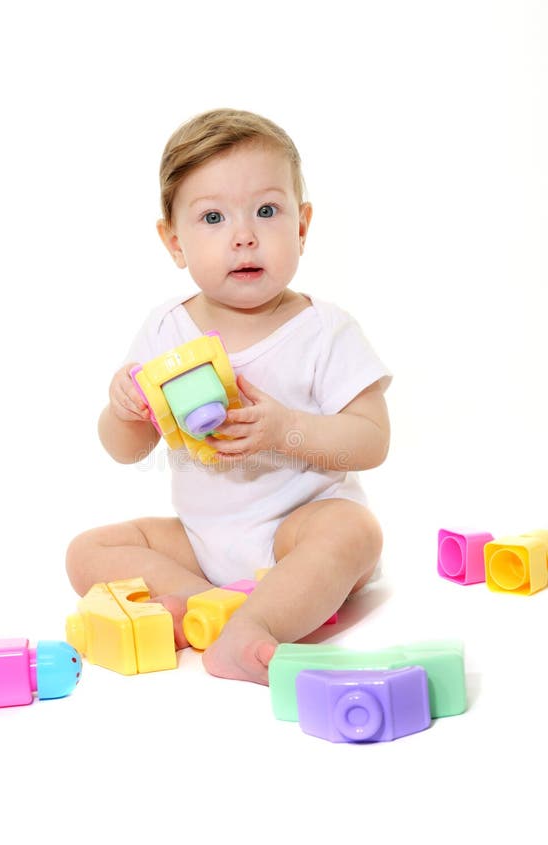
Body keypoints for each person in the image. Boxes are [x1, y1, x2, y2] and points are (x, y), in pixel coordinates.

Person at [66, 108, 392, 685]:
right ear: (174, 242)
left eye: (267, 211)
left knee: (355, 533)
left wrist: (285, 428)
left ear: (302, 226)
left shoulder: (324, 330)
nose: (244, 235)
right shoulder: (165, 328)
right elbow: (124, 449)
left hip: (297, 528)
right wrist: (123, 410)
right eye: (213, 217)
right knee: (87, 551)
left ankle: (252, 625)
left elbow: (371, 441)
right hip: (200, 539)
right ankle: (205, 605)